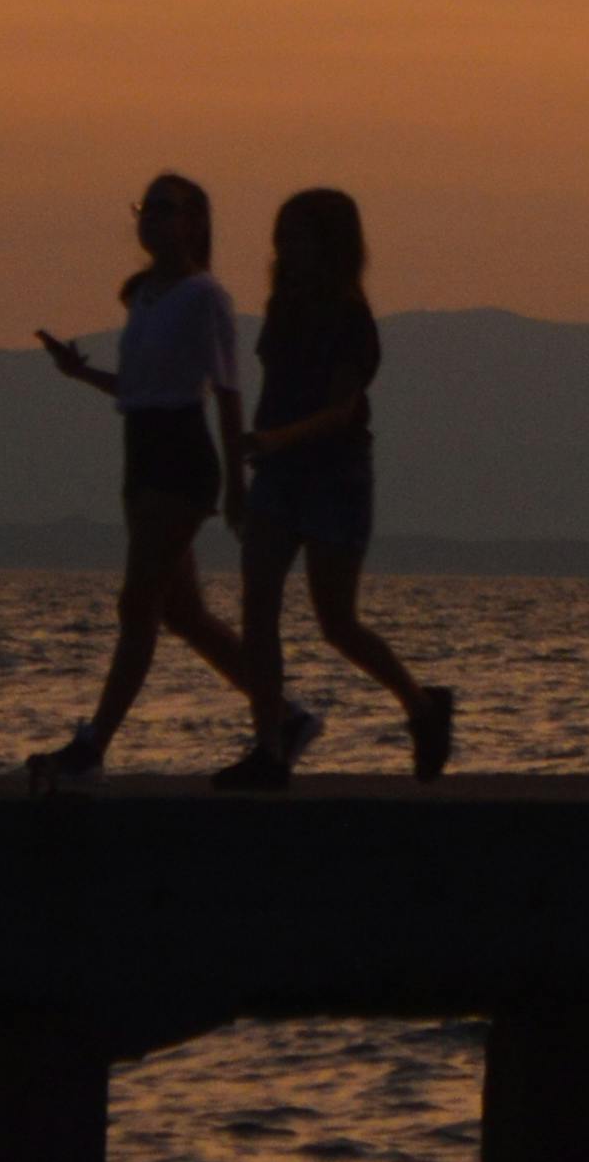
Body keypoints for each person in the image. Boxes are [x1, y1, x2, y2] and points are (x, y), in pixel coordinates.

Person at [24, 171, 267, 782]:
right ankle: (281, 713)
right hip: (141, 453)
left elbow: (228, 392)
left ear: (193, 221)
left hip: (183, 457)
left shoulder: (205, 296)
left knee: (137, 604)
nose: (150, 218)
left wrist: (238, 484)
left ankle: (92, 746)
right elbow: (138, 389)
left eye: (165, 208)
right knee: (181, 613)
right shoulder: (143, 298)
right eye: (145, 207)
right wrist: (80, 373)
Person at [220, 185, 452, 789]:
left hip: (333, 475)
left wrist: (277, 440)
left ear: (330, 245)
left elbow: (342, 410)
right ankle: (270, 746)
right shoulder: (281, 306)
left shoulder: (350, 315)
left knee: (336, 620)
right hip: (278, 474)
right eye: (281, 236)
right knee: (258, 605)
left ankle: (422, 707)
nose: (283, 248)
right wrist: (255, 462)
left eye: (296, 237)